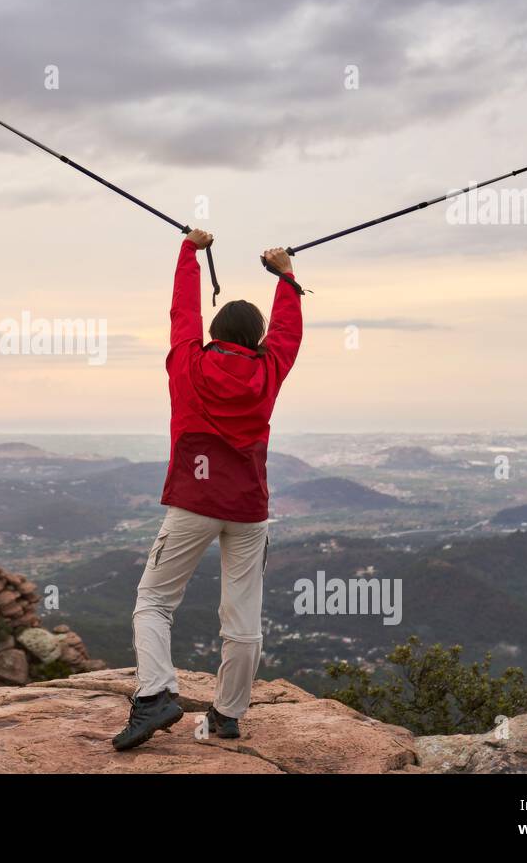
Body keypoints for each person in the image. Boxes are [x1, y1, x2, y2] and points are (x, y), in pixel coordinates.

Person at [112, 230, 303, 751]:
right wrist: (286, 276)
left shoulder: (187, 363)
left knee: (153, 602)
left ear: (213, 331)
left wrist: (189, 251)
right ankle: (228, 714)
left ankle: (155, 696)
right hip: (248, 509)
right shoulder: (269, 370)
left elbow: (182, 312)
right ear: (257, 339)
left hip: (193, 504)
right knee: (242, 617)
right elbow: (288, 333)